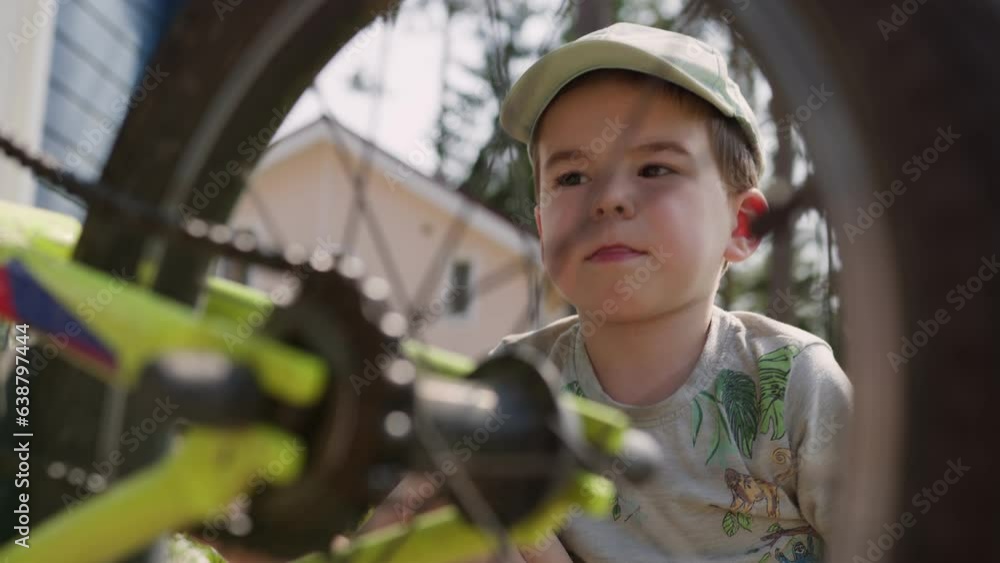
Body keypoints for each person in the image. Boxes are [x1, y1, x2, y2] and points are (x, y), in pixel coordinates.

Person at [222, 21, 853, 563]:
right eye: (573, 175)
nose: (608, 197)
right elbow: (397, 526)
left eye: (655, 168)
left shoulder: (791, 380)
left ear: (740, 227)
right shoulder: (515, 379)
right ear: (544, 225)